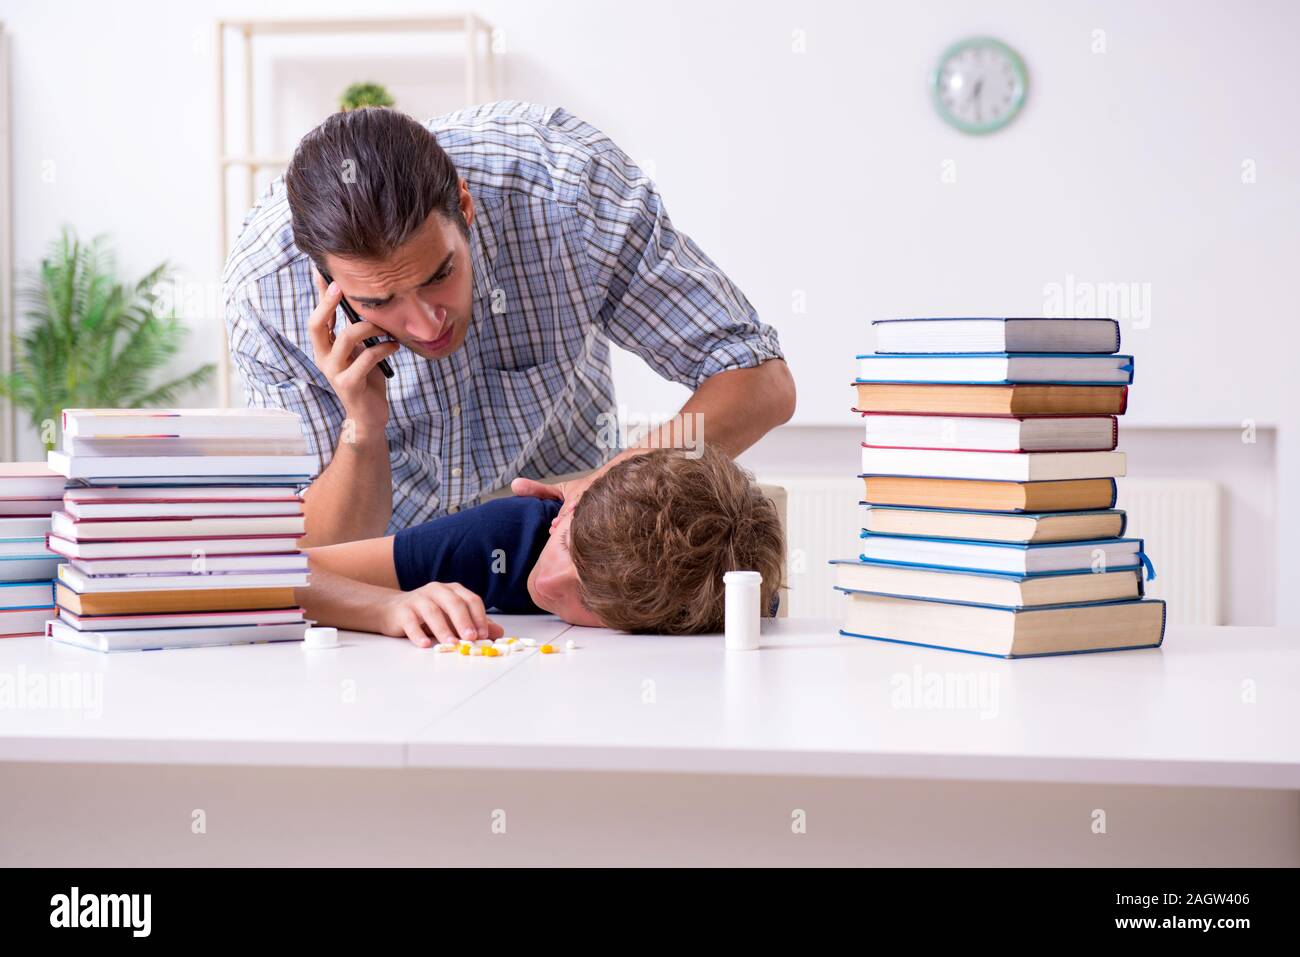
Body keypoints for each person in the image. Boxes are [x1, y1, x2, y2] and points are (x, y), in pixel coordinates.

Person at [223, 101, 796, 548]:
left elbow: (761, 382)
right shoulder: (265, 291)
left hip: (562, 533)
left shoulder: (567, 189)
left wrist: (603, 488)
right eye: (379, 301)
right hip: (392, 567)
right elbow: (325, 553)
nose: (424, 324)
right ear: (325, 281)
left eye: (439, 274)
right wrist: (364, 425)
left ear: (465, 207)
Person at [294, 445, 785, 643]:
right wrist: (387, 608)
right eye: (568, 545)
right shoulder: (507, 536)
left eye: (592, 598)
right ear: (568, 506)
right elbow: (275, 572)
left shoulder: (712, 597)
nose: (548, 583)